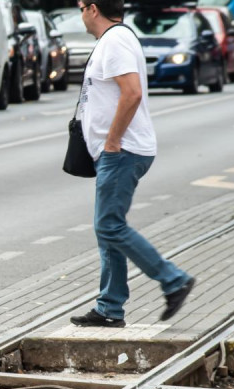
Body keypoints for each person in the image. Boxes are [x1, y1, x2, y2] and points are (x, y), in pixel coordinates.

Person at [70, 0, 194, 328]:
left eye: (81, 6)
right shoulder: (111, 41)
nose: (79, 12)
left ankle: (173, 279)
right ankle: (110, 307)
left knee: (109, 226)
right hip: (114, 152)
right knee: (107, 229)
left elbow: (132, 93)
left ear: (93, 9)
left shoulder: (116, 41)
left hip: (122, 151)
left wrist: (112, 141)